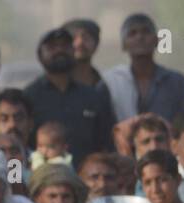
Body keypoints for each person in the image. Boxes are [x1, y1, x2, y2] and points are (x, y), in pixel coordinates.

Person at [23, 28, 117, 169]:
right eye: (52, 47)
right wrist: (17, 182)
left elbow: (108, 145)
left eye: (65, 46)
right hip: (42, 182)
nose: (59, 50)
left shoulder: (93, 96)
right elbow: (19, 146)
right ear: (40, 55)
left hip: (89, 182)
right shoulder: (28, 97)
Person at [103, 15, 184, 124]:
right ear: (123, 44)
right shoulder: (110, 81)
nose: (140, 37)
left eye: (146, 32)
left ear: (157, 41)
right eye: (132, 33)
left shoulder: (176, 81)